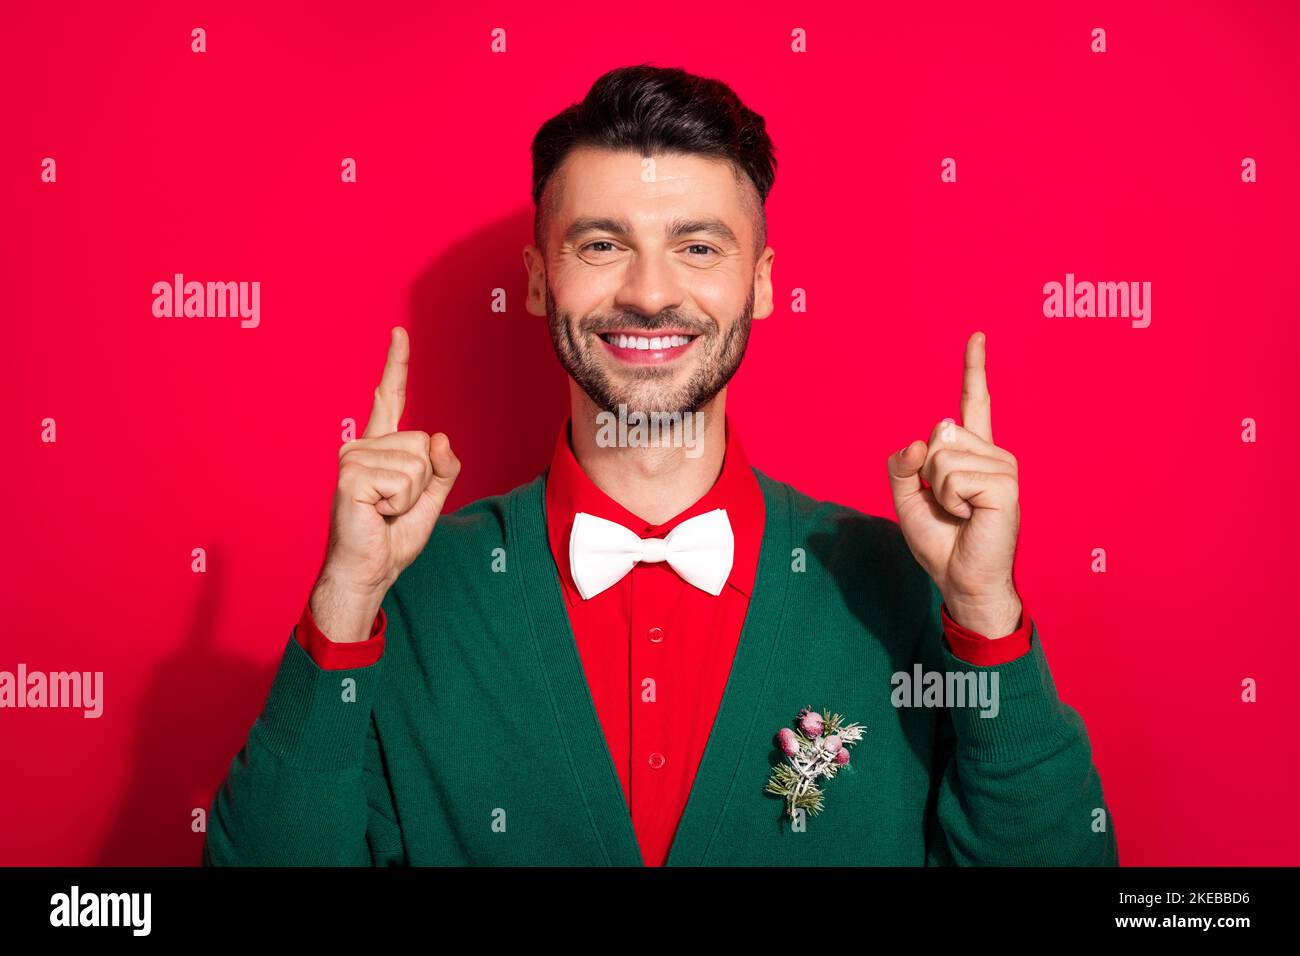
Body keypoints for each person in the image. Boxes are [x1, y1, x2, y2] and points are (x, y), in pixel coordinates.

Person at [204, 64, 1116, 867]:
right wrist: (344, 602)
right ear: (535, 278)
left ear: (759, 280)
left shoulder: (910, 587)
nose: (647, 292)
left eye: (698, 247)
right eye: (601, 245)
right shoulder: (404, 595)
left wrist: (985, 617)